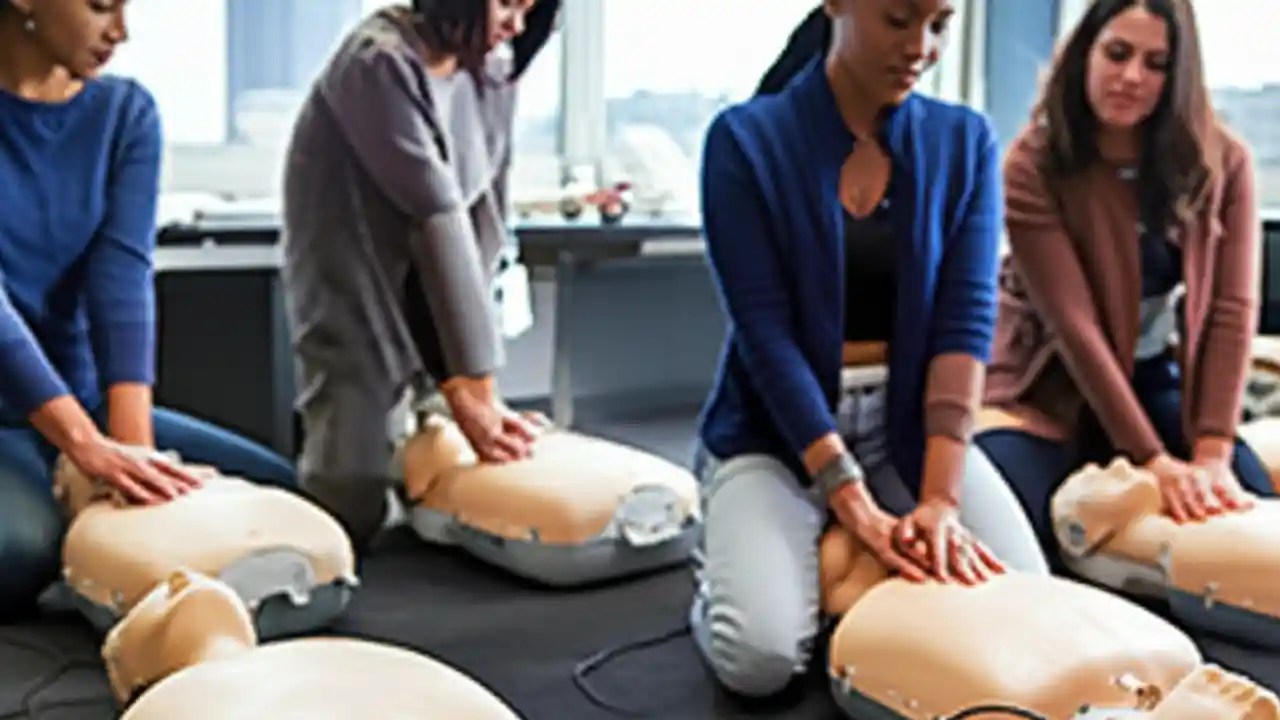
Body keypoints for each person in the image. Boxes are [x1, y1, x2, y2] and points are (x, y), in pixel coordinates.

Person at [690, 0, 1049, 698]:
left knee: (1023, 603)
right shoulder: (744, 140)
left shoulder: (965, 141)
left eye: (939, 25)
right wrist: (852, 501)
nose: (920, 46)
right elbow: (766, 336)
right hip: (777, 434)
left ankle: (841, 561)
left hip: (907, 428)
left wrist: (940, 500)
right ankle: (729, 563)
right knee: (759, 661)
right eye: (898, 19)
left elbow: (963, 322)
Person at [0, 0, 297, 621]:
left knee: (282, 493)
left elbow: (120, 278)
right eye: (102, 6)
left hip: (85, 402)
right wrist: (83, 447)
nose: (122, 31)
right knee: (19, 552)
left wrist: (133, 458)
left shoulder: (124, 113)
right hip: (15, 413)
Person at [976, 0, 1275, 560]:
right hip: (1045, 386)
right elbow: (1076, 329)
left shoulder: (1224, 161)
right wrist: (1152, 461)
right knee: (1024, 532)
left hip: (1151, 375)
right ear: (1085, 53)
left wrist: (1210, 451)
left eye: (1156, 63)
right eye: (1117, 54)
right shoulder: (1032, 164)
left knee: (1245, 511)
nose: (1132, 77)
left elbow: (1232, 311)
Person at [280, 0, 560, 551]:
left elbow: (482, 216)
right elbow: (433, 214)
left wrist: (476, 377)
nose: (516, 25)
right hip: (356, 287)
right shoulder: (377, 63)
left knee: (442, 473)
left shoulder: (492, 69)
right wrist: (470, 384)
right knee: (353, 488)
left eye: (530, 10)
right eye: (507, 3)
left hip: (440, 280)